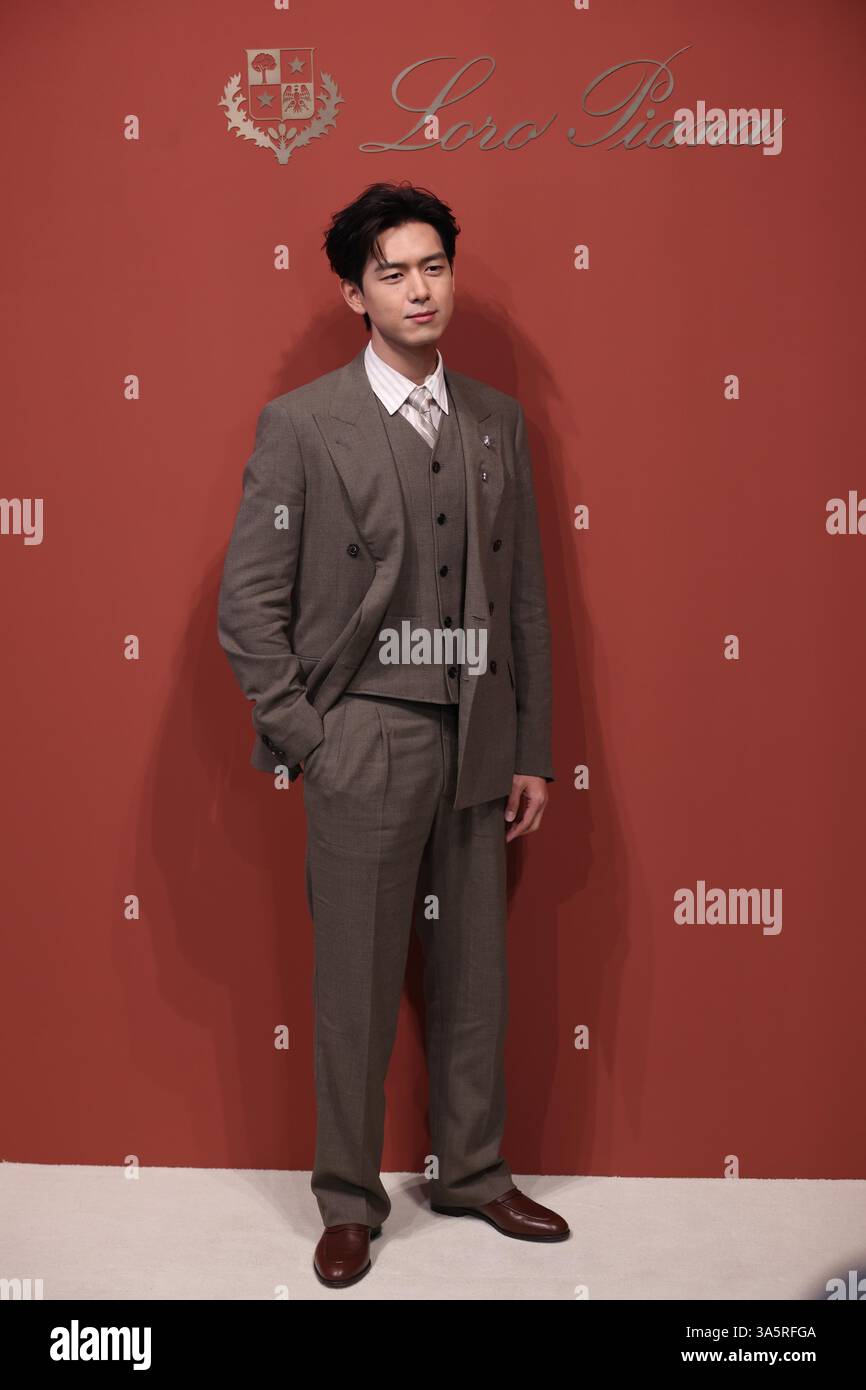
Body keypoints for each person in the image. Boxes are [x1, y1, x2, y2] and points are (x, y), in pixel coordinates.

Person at [217, 180, 569, 1287]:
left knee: (476, 973)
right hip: (361, 733)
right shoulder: (303, 424)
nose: (419, 288)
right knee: (355, 984)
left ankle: (471, 1172)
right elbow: (247, 602)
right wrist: (306, 736)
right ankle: (347, 1200)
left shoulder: (496, 422)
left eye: (433, 266)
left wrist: (528, 746)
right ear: (352, 291)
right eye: (392, 271)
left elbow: (523, 600)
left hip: (477, 731)